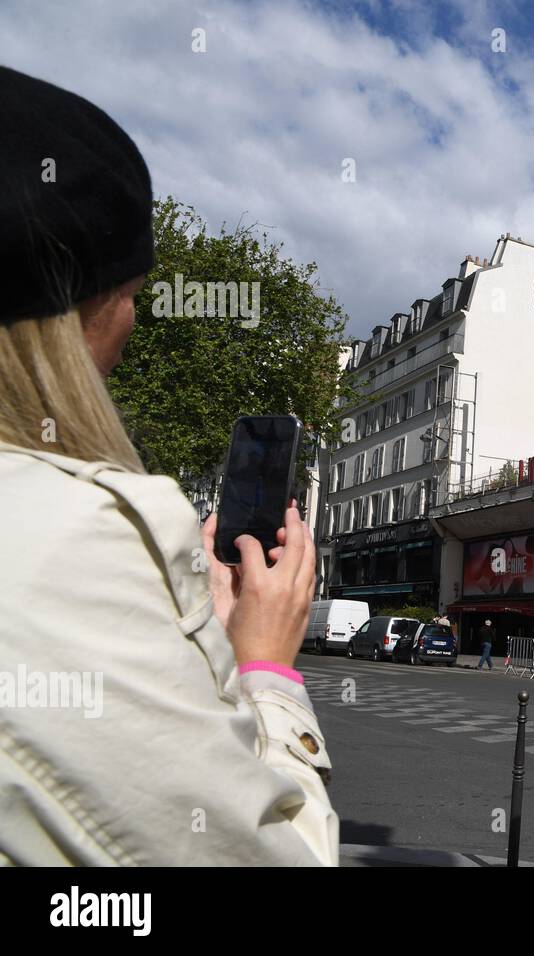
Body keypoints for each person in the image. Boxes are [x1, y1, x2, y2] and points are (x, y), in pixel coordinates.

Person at [0, 66, 336, 864]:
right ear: (82, 308)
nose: (134, 324)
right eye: (133, 294)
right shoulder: (73, 540)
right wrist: (261, 669)